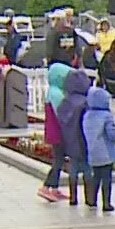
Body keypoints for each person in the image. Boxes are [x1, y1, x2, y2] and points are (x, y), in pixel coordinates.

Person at [82, 83, 115, 212]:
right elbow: (111, 135)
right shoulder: (106, 116)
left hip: (92, 152)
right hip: (106, 153)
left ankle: (92, 200)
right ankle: (106, 203)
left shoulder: (87, 116)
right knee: (106, 179)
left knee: (96, 177)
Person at [57, 69, 93, 208]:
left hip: (70, 141)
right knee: (87, 169)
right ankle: (89, 197)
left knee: (73, 169)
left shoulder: (65, 103)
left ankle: (73, 197)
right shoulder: (86, 102)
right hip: (85, 142)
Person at [39, 61, 72, 202]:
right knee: (58, 160)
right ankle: (46, 186)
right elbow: (62, 114)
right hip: (58, 132)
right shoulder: (57, 94)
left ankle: (54, 188)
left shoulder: (53, 91)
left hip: (54, 131)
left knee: (59, 158)